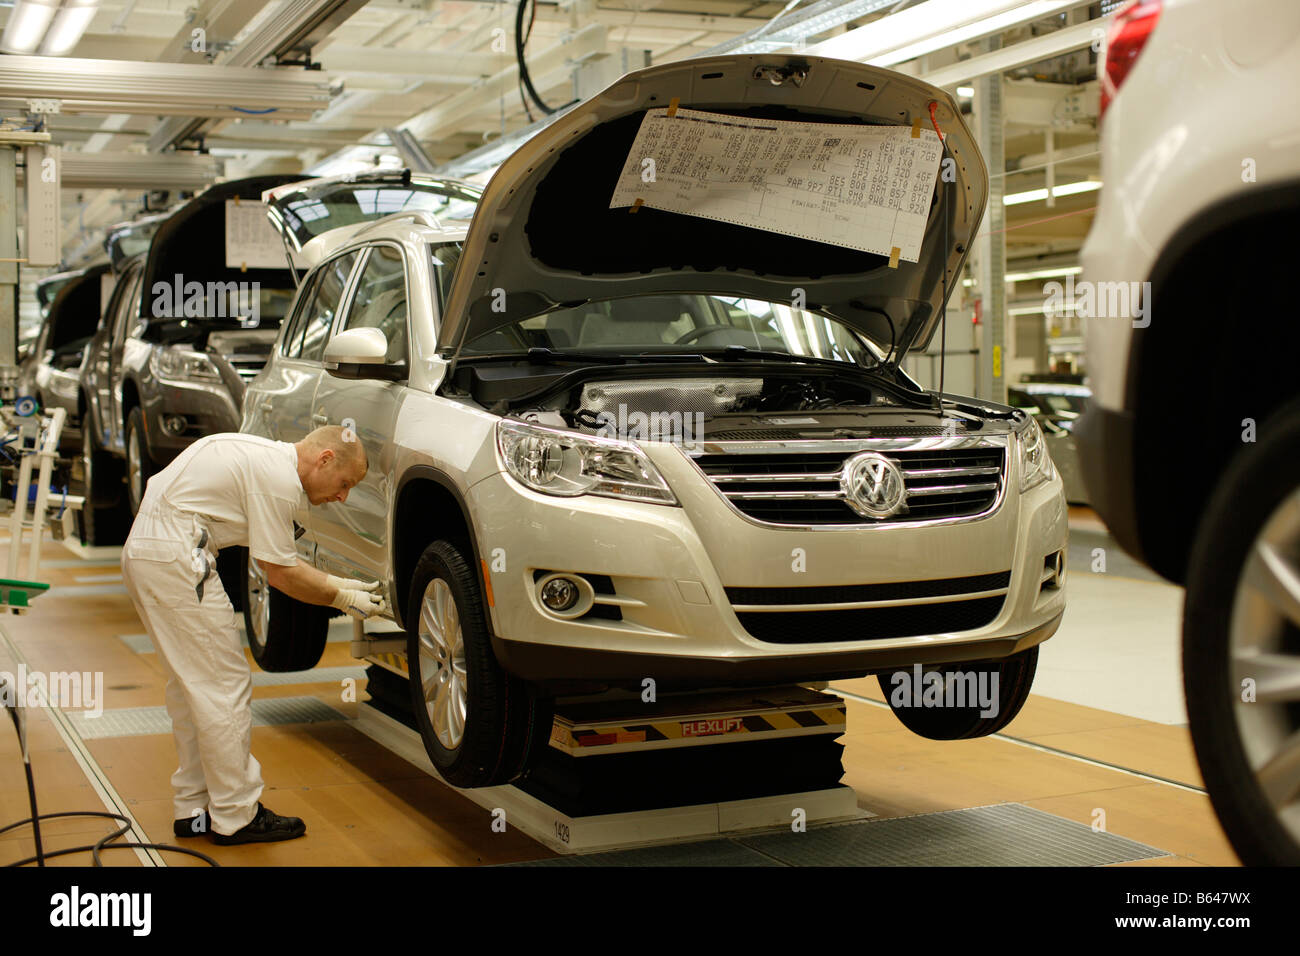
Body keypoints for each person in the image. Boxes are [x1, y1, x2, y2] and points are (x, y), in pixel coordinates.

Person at [120, 426, 385, 845]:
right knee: (223, 686)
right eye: (345, 484)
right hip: (176, 558)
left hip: (148, 550)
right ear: (325, 459)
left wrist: (339, 585)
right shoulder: (278, 481)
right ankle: (236, 814)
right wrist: (343, 596)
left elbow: (283, 563)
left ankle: (195, 809)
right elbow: (280, 575)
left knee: (192, 688)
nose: (343, 497)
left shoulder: (260, 457)